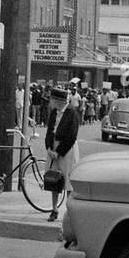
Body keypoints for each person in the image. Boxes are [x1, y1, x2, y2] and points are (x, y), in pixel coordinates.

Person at [45, 85, 80, 223]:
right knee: (53, 179)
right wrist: (48, 148)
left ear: (59, 100)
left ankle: (69, 212)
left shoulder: (72, 113)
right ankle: (54, 209)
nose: (51, 103)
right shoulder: (54, 113)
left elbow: (72, 136)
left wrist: (58, 152)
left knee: (68, 181)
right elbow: (49, 131)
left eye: (52, 100)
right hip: (53, 148)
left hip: (66, 150)